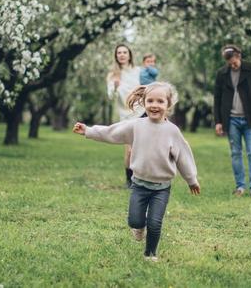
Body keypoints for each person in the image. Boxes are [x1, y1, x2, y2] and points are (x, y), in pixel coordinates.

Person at [73, 82, 201, 261]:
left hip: (161, 188)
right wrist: (88, 130)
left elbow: (184, 157)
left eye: (160, 101)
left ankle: (150, 254)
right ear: (144, 102)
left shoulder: (172, 131)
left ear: (168, 104)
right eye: (150, 101)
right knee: (135, 221)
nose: (154, 105)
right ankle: (139, 228)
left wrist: (191, 179)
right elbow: (112, 132)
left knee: (155, 223)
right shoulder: (136, 126)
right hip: (139, 185)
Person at [213, 44, 251, 197]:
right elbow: (217, 98)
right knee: (236, 154)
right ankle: (240, 187)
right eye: (229, 63)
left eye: (234, 61)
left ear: (239, 56)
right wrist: (218, 121)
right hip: (231, 121)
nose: (233, 65)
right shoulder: (222, 74)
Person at [106, 44, 142, 187]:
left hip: (142, 112)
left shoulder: (137, 71)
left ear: (129, 55)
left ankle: (142, 178)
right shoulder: (113, 75)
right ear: (116, 56)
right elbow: (110, 96)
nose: (121, 55)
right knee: (130, 149)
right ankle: (129, 179)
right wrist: (114, 87)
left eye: (124, 52)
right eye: (119, 53)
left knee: (141, 147)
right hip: (126, 115)